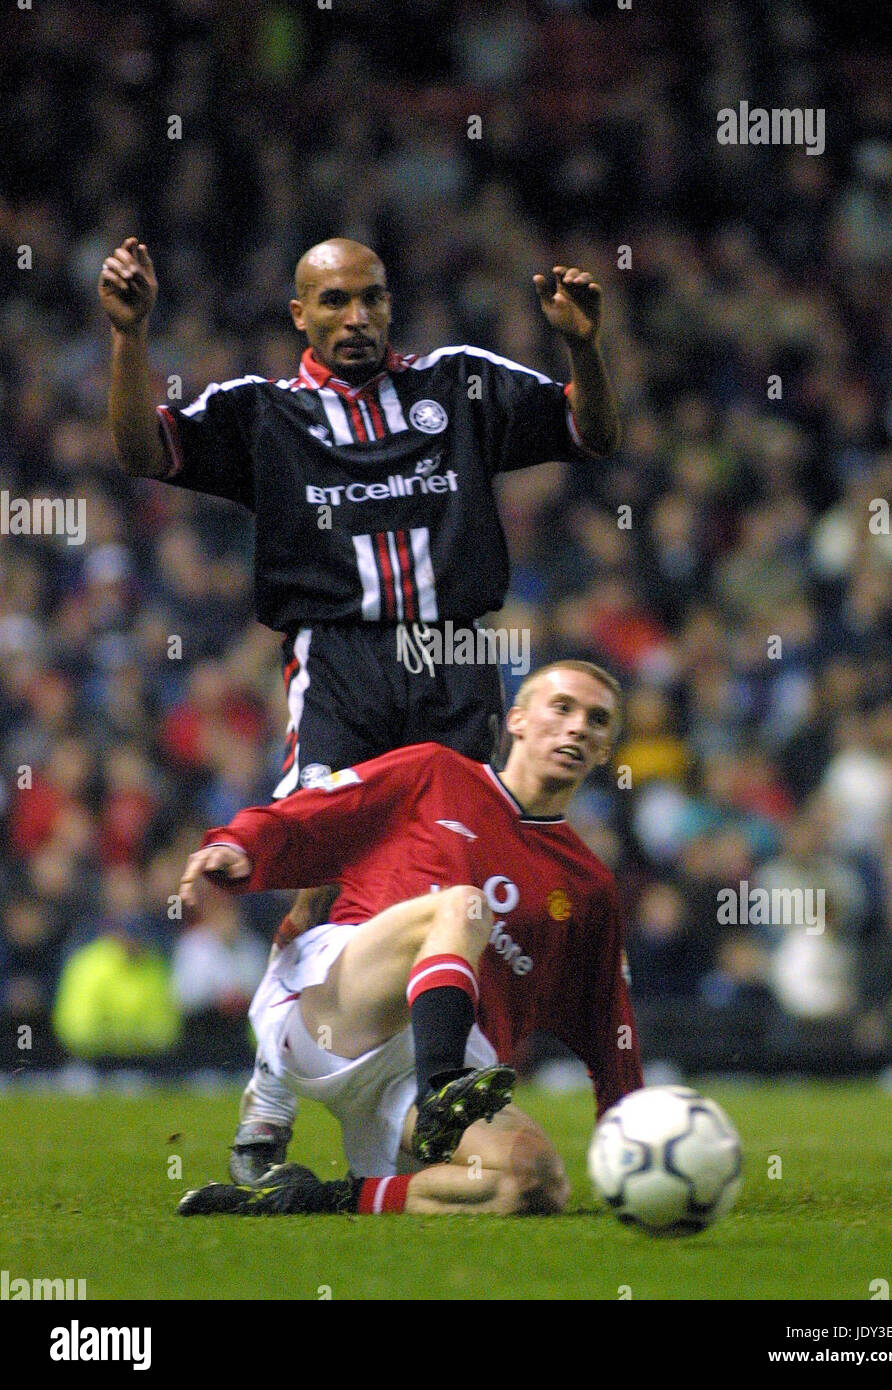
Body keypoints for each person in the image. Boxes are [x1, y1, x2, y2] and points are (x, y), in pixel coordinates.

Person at [98, 234, 619, 1180]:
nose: (356, 318)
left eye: (371, 299)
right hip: (338, 659)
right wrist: (130, 338)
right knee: (320, 871)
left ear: (391, 303)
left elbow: (593, 432)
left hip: (454, 653)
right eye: (333, 302)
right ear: (299, 314)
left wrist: (582, 347)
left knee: (456, 881)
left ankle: (433, 1089)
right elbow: (143, 451)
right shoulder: (263, 414)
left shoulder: (459, 384)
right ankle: (270, 1095)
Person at [175, 662, 642, 1216]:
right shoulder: (435, 773)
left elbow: (608, 1022)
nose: (577, 728)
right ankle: (433, 1087)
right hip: (344, 1014)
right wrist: (238, 844)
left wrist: (636, 1139)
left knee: (533, 1184)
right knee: (465, 906)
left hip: (419, 1072)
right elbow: (317, 814)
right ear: (516, 719)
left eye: (597, 720)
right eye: (562, 708)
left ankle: (318, 1199)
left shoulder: (589, 885)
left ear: (606, 748)